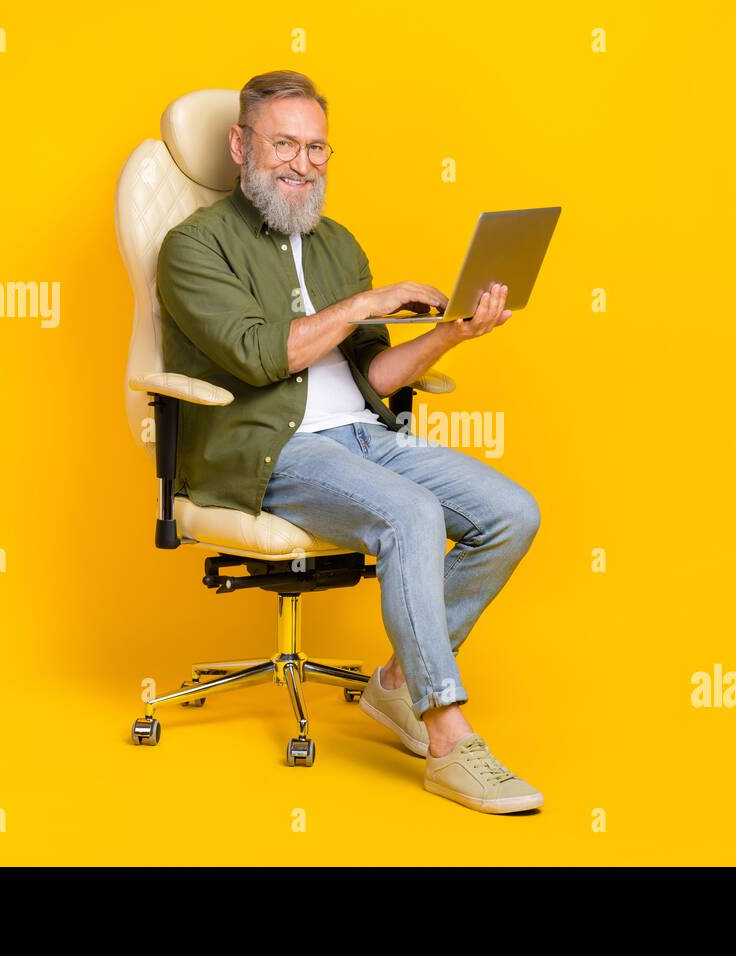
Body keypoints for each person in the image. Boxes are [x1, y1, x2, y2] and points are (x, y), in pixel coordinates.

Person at [155, 70, 542, 814]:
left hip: (367, 436)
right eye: (284, 144)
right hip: (271, 449)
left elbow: (376, 370)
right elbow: (263, 356)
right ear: (241, 146)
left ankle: (398, 684)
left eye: (317, 147)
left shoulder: (337, 243)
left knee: (512, 513)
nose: (302, 163)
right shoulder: (193, 247)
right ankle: (449, 737)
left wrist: (449, 334)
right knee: (413, 516)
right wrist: (366, 301)